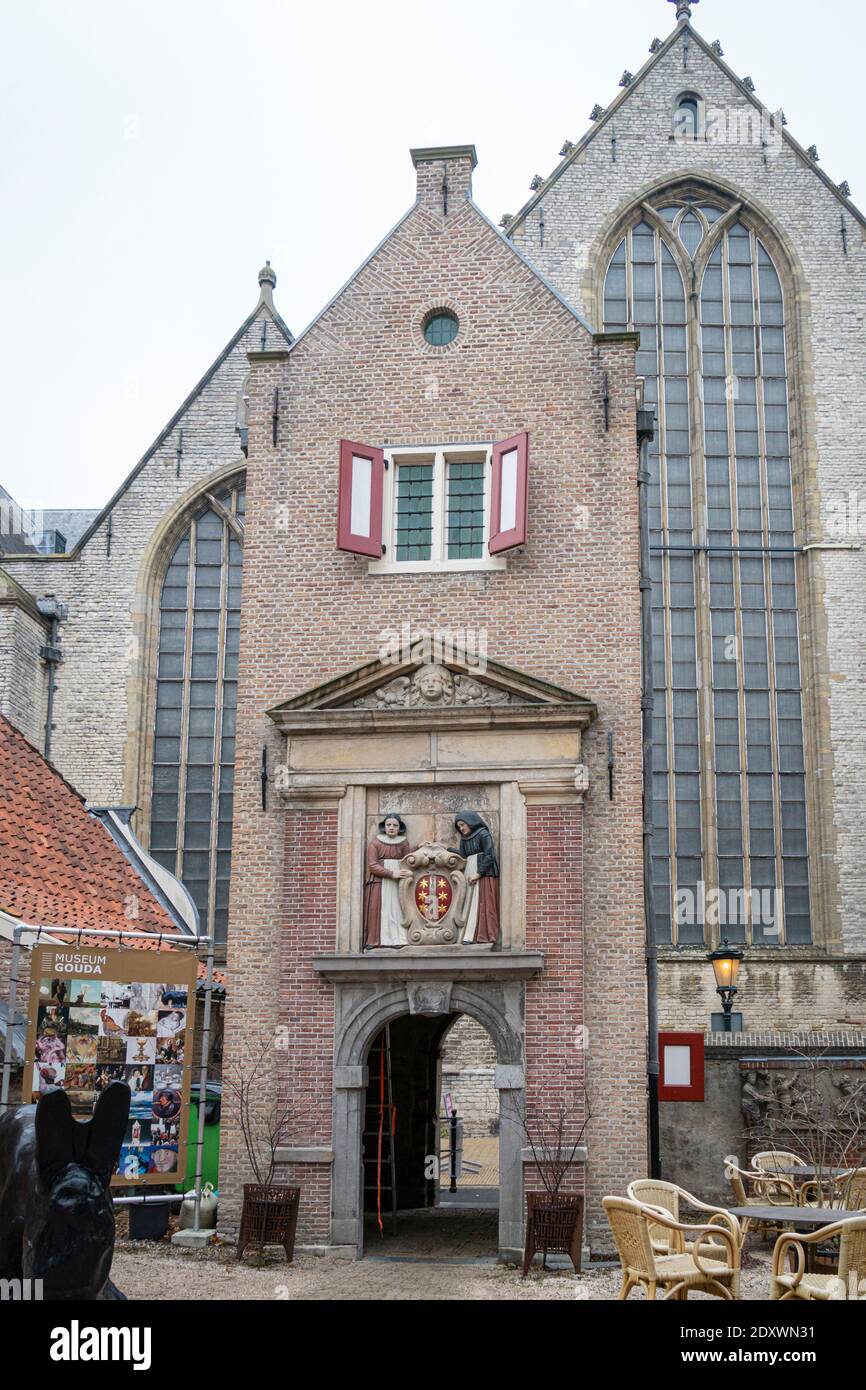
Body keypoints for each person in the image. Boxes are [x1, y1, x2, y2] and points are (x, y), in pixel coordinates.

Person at [363, 813, 412, 948]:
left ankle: (397, 939)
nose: (391, 827)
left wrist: (419, 848)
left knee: (397, 910)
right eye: (388, 825)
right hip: (381, 881)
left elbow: (408, 859)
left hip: (398, 881)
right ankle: (375, 940)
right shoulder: (376, 843)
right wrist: (391, 873)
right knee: (378, 910)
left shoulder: (403, 842)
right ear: (384, 827)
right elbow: (373, 865)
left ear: (399, 828)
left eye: (395, 825)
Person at [453, 812, 500, 945]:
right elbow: (462, 855)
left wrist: (479, 873)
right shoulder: (464, 839)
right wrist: (446, 849)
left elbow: (489, 855)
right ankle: (468, 934)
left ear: (470, 821)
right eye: (459, 826)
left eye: (463, 825)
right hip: (470, 870)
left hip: (483, 873)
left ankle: (483, 935)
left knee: (482, 903)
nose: (461, 828)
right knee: (469, 903)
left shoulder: (483, 833)